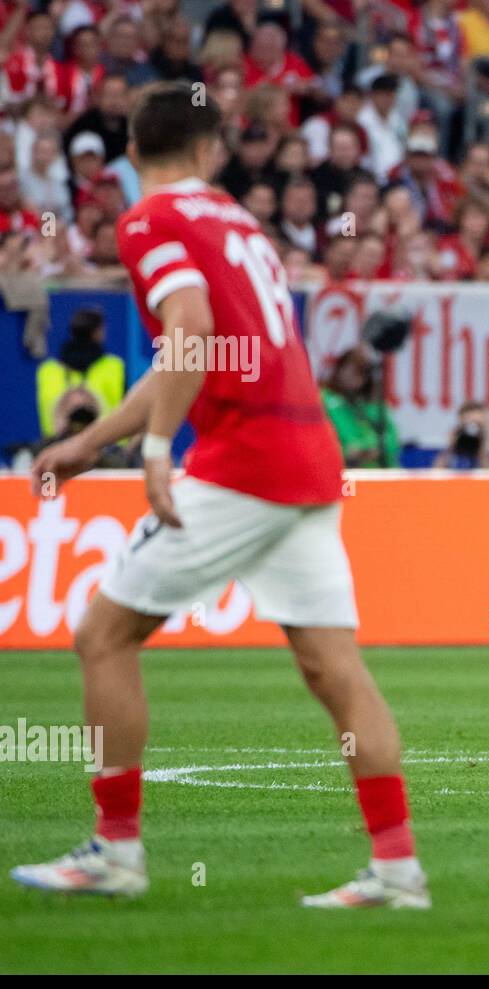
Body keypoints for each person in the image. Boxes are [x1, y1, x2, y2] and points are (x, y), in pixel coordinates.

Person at [12, 83, 429, 910]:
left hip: (243, 462)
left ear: (133, 153)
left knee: (102, 635)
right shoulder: (243, 226)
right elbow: (188, 354)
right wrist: (95, 446)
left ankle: (116, 851)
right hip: (308, 454)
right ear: (210, 150)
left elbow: (190, 335)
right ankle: (396, 869)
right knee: (332, 666)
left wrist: (159, 449)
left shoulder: (148, 220)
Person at [36, 307, 126, 439]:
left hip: (57, 449)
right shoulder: (114, 366)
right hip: (107, 448)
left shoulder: (47, 371)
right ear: (98, 333)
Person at [321, 348, 401, 469]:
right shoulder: (322, 399)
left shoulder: (375, 404)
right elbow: (317, 441)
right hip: (342, 474)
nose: (352, 377)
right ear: (339, 368)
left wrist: (375, 450)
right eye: (349, 370)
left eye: (360, 373)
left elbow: (391, 439)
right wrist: (346, 452)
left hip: (379, 475)